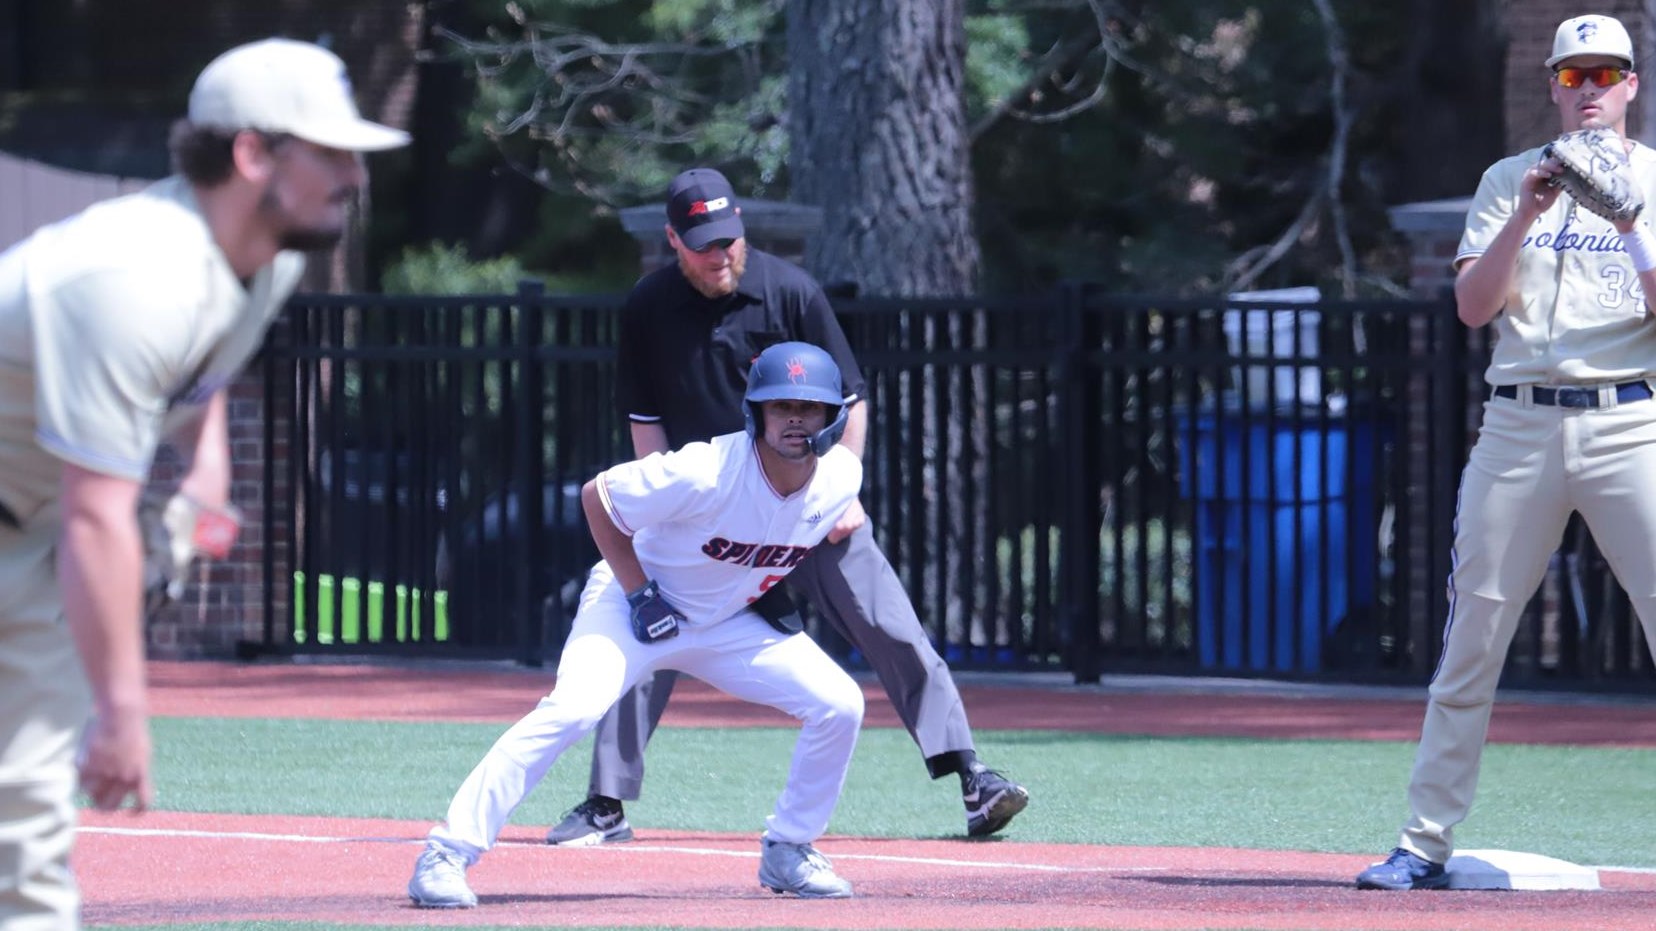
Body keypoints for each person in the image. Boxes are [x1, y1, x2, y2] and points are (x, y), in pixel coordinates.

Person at [0, 38, 408, 926]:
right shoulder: (130, 275)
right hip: (49, 527)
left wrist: (208, 474)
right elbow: (95, 518)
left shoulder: (269, 257)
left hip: (27, 536)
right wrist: (123, 713)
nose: (354, 175)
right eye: (331, 152)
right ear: (252, 154)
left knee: (22, 841)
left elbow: (201, 371)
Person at [541, 167, 1028, 850]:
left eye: (730, 240)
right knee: (643, 625)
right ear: (673, 241)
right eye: (705, 244)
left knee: (888, 621)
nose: (722, 255)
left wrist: (843, 490)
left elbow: (851, 399)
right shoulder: (648, 306)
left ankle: (971, 775)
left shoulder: (790, 291)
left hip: (803, 502)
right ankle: (605, 804)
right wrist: (655, 515)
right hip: (710, 511)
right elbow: (645, 419)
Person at [1357, 13, 1656, 891]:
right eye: (1573, 77)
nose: (1590, 90)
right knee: (1473, 633)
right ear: (1555, 88)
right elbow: (1474, 306)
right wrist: (1529, 210)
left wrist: (1630, 223)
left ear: (1633, 84)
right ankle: (1423, 841)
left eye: (1606, 74)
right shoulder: (1507, 180)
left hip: (1629, 422)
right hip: (1520, 423)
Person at [408, 341, 869, 906]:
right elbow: (598, 497)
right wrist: (639, 593)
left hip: (724, 623)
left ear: (834, 417)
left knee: (840, 703)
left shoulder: (840, 478)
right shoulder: (705, 470)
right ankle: (446, 854)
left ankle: (789, 850)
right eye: (780, 406)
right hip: (634, 607)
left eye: (809, 407)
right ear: (755, 413)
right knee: (572, 709)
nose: (795, 417)